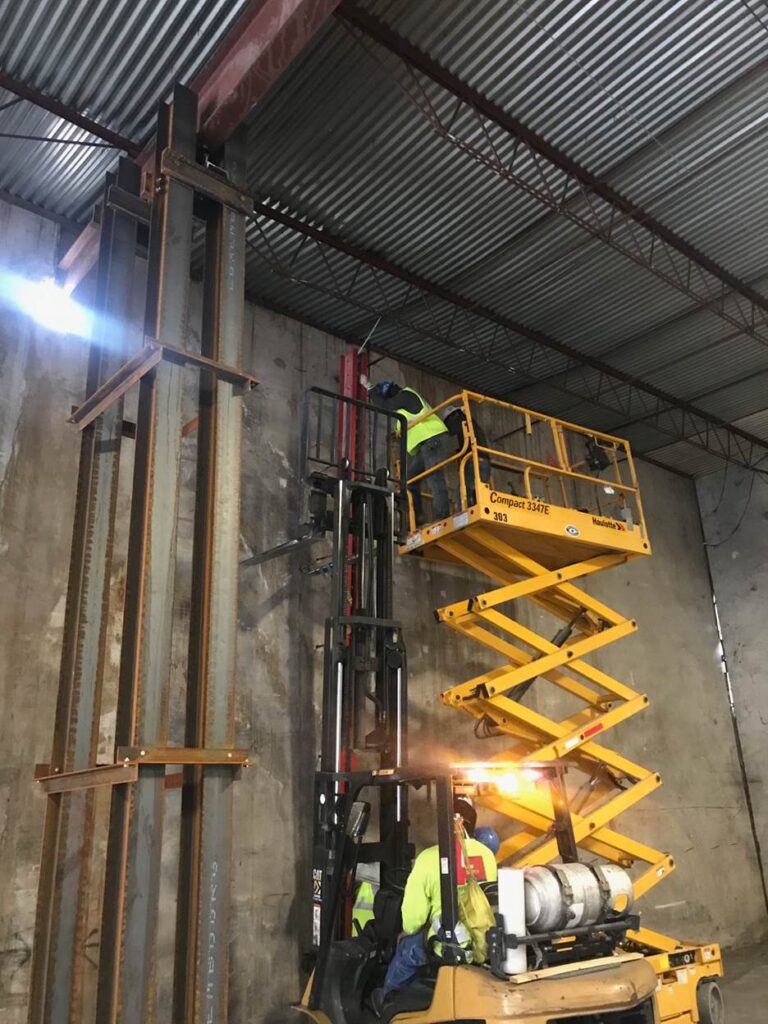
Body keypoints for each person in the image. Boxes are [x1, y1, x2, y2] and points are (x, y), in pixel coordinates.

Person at [380, 797, 497, 999]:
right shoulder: (487, 855)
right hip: (483, 939)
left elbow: (414, 917)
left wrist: (406, 931)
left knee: (406, 950)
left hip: (449, 942)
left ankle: (385, 1002)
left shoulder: (429, 858)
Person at [362, 377, 454, 524]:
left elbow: (386, 406)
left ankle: (442, 518)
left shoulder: (406, 395)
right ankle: (418, 519)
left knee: (434, 477)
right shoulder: (402, 412)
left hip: (434, 439)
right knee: (410, 480)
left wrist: (370, 389)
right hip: (426, 444)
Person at [440, 403, 492, 508]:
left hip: (474, 462)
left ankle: (463, 516)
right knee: (476, 493)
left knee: (463, 492)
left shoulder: (458, 419)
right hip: (483, 462)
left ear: (451, 417)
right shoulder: (469, 422)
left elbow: (450, 431)